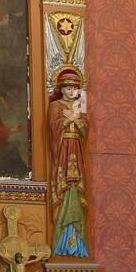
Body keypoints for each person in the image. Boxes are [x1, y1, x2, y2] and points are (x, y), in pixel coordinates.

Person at [47, 65, 88, 258]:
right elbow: (52, 128)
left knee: (76, 185)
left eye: (74, 89)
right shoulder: (55, 106)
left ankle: (76, 241)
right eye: (68, 88)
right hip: (63, 149)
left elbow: (85, 127)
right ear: (62, 89)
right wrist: (66, 121)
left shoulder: (79, 106)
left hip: (76, 149)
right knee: (64, 184)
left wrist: (75, 119)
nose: (72, 92)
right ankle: (61, 238)